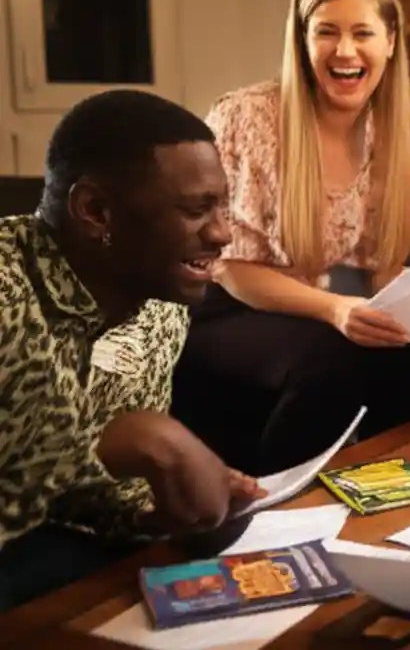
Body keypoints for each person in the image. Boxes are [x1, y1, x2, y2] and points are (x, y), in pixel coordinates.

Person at [0, 90, 263, 611]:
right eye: (195, 210)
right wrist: (130, 443)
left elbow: (87, 500)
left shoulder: (160, 307)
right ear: (95, 211)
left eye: (222, 206)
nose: (222, 233)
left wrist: (162, 509)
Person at [172, 0, 410, 475]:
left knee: (406, 349)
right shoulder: (248, 117)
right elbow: (230, 268)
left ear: (390, 43)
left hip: (299, 304)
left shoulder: (384, 129)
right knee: (330, 359)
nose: (345, 51)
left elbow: (377, 266)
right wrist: (336, 309)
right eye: (327, 32)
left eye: (363, 33)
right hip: (213, 304)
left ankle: (398, 493)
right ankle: (276, 506)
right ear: (302, 41)